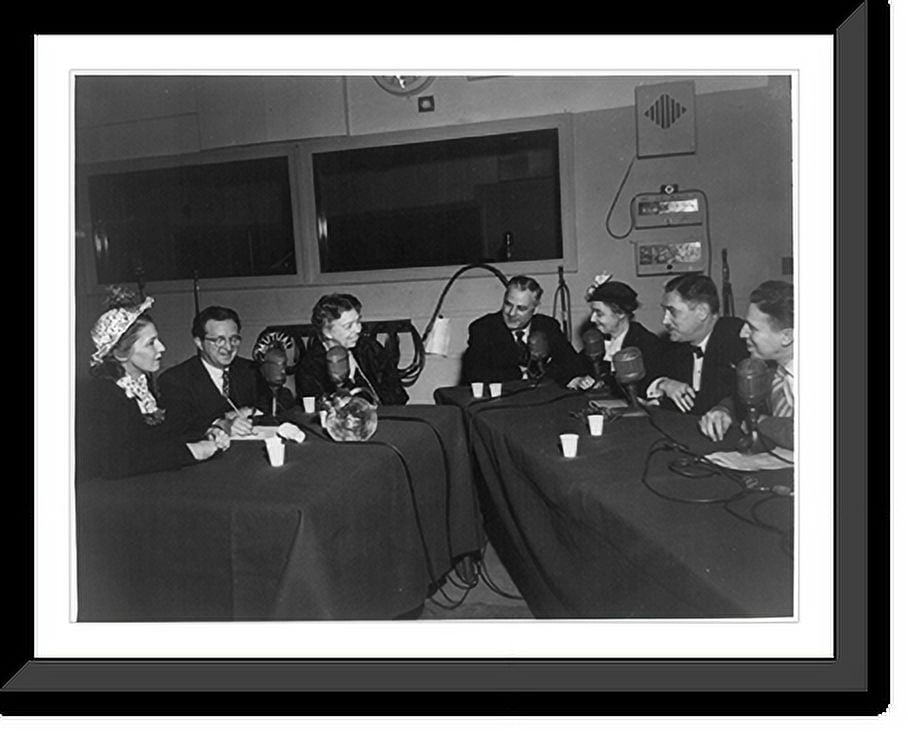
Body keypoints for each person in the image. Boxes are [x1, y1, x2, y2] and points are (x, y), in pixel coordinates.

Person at [77, 289, 228, 480]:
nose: (162, 348)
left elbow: (160, 436)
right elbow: (116, 462)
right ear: (121, 353)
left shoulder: (140, 385)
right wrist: (191, 451)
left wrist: (205, 433)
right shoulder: (102, 395)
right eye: (151, 343)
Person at [699, 280, 794, 449]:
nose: (743, 333)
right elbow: (746, 399)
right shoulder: (773, 369)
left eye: (753, 328)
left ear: (786, 337)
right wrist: (723, 411)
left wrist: (759, 422)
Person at [646, 273, 749, 415]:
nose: (665, 321)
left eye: (672, 312)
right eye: (664, 311)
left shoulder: (737, 340)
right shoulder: (675, 344)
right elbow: (645, 376)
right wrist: (664, 384)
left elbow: (741, 399)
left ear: (702, 312)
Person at [461, 275, 589, 388]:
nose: (511, 313)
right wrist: (523, 374)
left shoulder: (548, 326)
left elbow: (572, 364)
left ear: (535, 309)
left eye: (521, 308)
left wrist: (575, 380)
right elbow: (475, 375)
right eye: (508, 304)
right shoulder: (483, 328)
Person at [158, 305, 262, 441]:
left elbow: (280, 400)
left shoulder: (251, 369)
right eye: (219, 340)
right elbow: (177, 427)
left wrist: (251, 411)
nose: (229, 347)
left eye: (234, 339)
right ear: (199, 343)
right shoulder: (175, 379)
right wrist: (220, 422)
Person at [294, 293, 409, 406]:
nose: (358, 329)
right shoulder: (309, 367)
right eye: (348, 326)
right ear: (326, 331)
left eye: (358, 321)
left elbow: (397, 394)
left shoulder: (370, 348)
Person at [582, 273, 664, 394]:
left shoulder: (647, 345)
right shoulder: (597, 340)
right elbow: (577, 368)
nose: (592, 319)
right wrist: (581, 380)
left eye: (599, 313)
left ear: (620, 313)